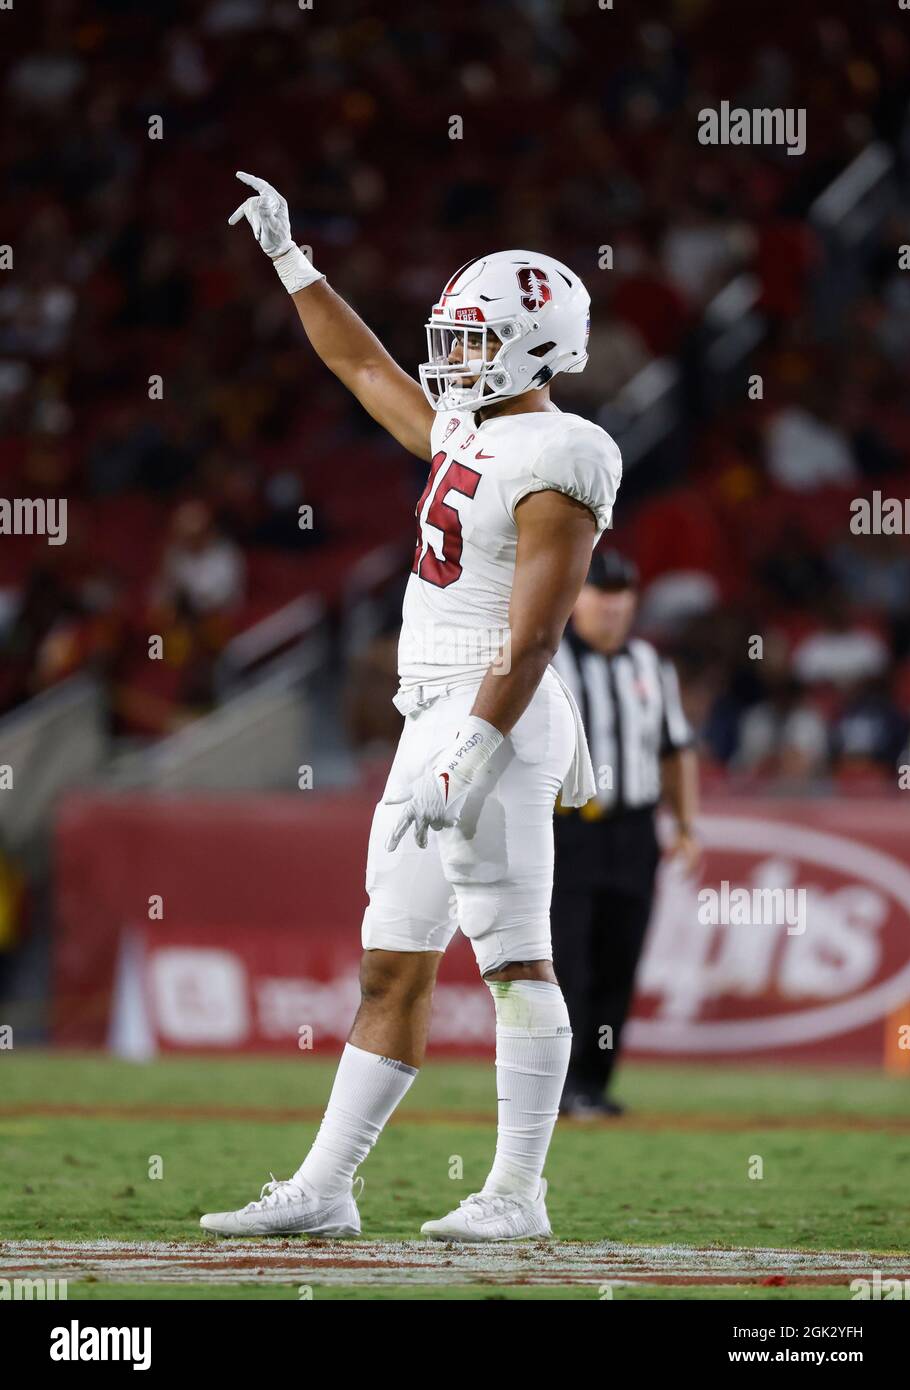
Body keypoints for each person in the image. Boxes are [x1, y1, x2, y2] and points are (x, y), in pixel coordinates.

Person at [201, 173, 622, 1242]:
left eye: (477, 341)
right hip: (431, 716)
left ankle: (517, 1195)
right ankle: (325, 1187)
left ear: (535, 346)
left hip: (496, 717)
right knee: (392, 957)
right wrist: (295, 263)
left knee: (516, 956)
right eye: (455, 339)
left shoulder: (562, 451)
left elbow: (532, 635)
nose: (455, 360)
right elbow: (357, 362)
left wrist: (474, 743)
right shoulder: (471, 432)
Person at [551, 549, 700, 1117]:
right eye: (599, 594)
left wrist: (686, 824)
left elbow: (675, 748)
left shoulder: (650, 664)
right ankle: (559, 1088)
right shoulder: (548, 661)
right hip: (569, 829)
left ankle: (595, 1083)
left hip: (635, 831)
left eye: (620, 596)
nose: (611, 607)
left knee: (621, 959)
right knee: (569, 962)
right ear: (574, 598)